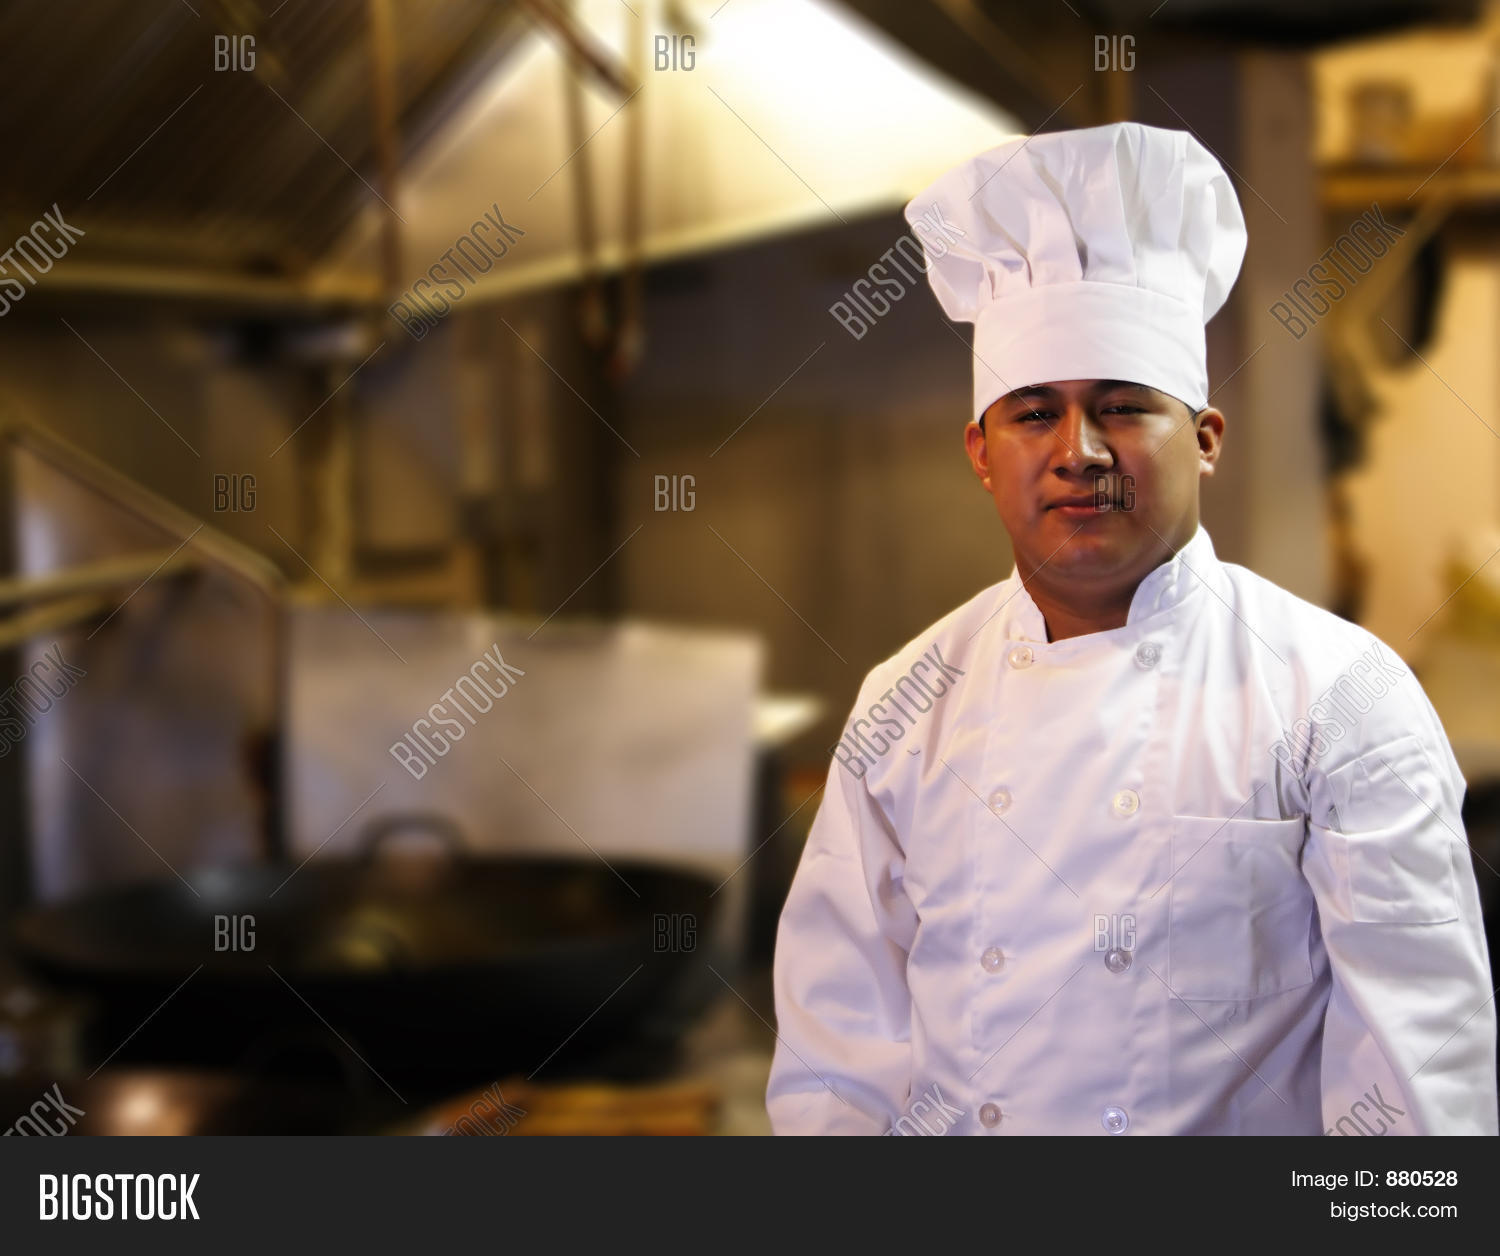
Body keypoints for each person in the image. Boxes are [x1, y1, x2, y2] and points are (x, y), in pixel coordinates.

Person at [765, 121, 1497, 1135]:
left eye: (1120, 406)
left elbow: (1417, 1096)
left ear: (1205, 440)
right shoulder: (907, 700)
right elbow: (838, 1066)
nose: (1078, 450)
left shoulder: (1340, 694)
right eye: (1033, 414)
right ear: (981, 452)